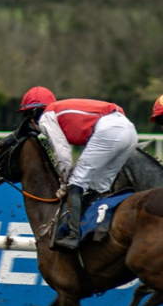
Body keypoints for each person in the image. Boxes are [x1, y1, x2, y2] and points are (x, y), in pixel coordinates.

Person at [18, 85, 139, 250]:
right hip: (130, 131)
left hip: (109, 130)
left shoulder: (47, 117)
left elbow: (63, 155)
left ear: (33, 112)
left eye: (28, 115)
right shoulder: (63, 110)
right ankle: (99, 230)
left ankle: (73, 236)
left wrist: (64, 184)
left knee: (76, 182)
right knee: (100, 186)